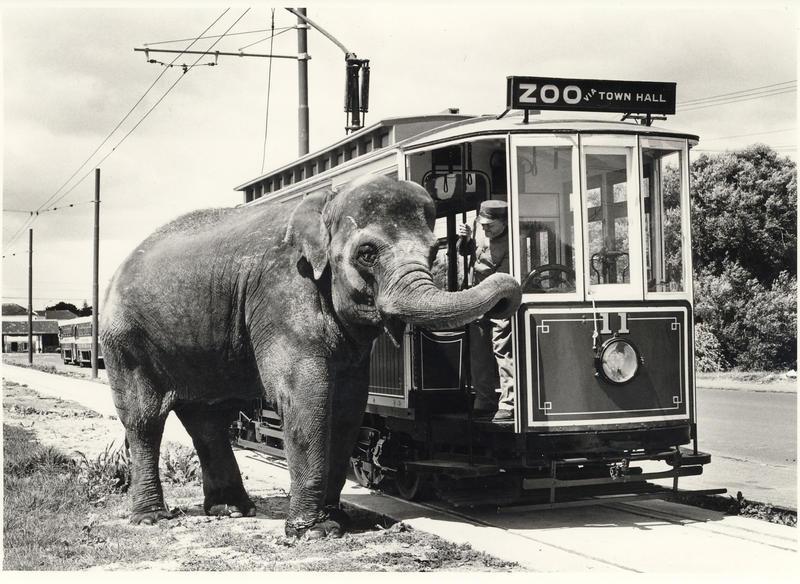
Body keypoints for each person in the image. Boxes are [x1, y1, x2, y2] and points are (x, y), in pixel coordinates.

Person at [457, 199, 515, 422]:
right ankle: (484, 400)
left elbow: (504, 277)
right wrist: (467, 239)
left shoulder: (512, 241)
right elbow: (466, 254)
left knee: (502, 349)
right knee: (479, 351)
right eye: (483, 224)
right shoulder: (477, 228)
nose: (485, 228)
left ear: (504, 222)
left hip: (500, 301)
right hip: (477, 300)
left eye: (490, 225)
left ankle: (508, 403)